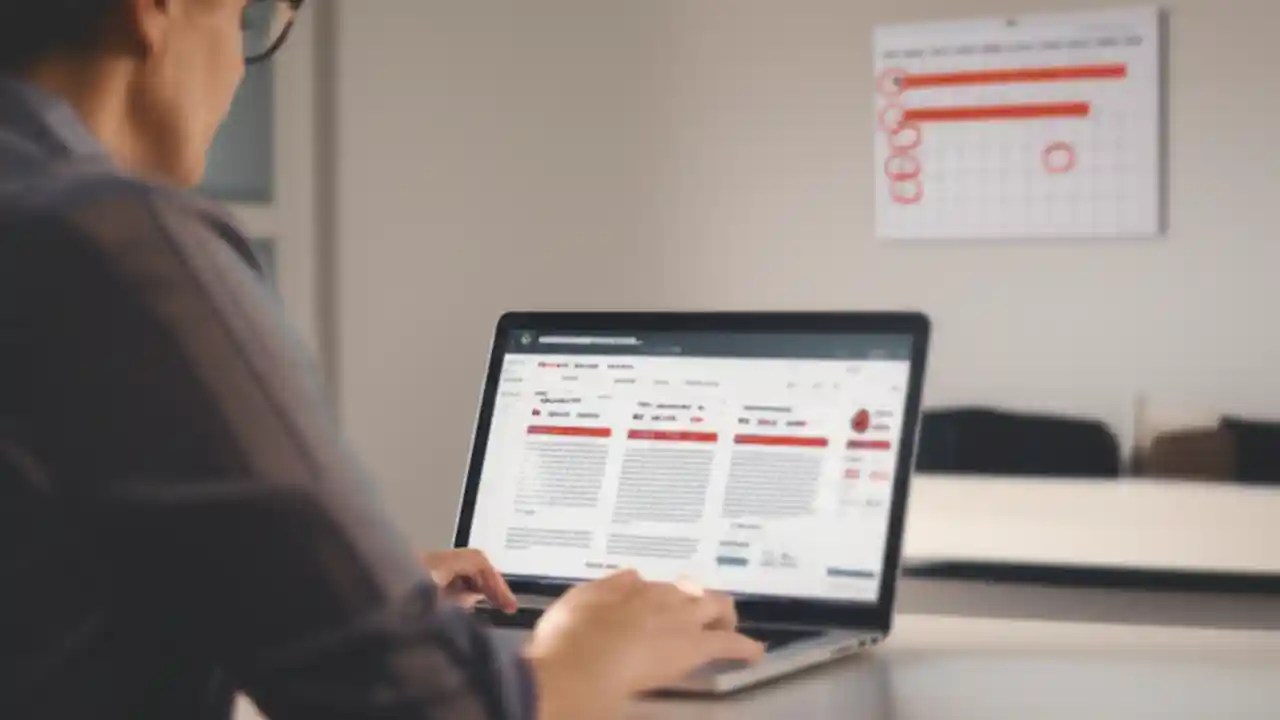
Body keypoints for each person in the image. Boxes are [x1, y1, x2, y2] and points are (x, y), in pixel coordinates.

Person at [0, 1, 764, 718]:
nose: (235, 66)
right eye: (245, 18)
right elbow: (433, 707)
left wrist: (326, 594)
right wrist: (587, 652)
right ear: (158, 8)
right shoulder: (110, 242)